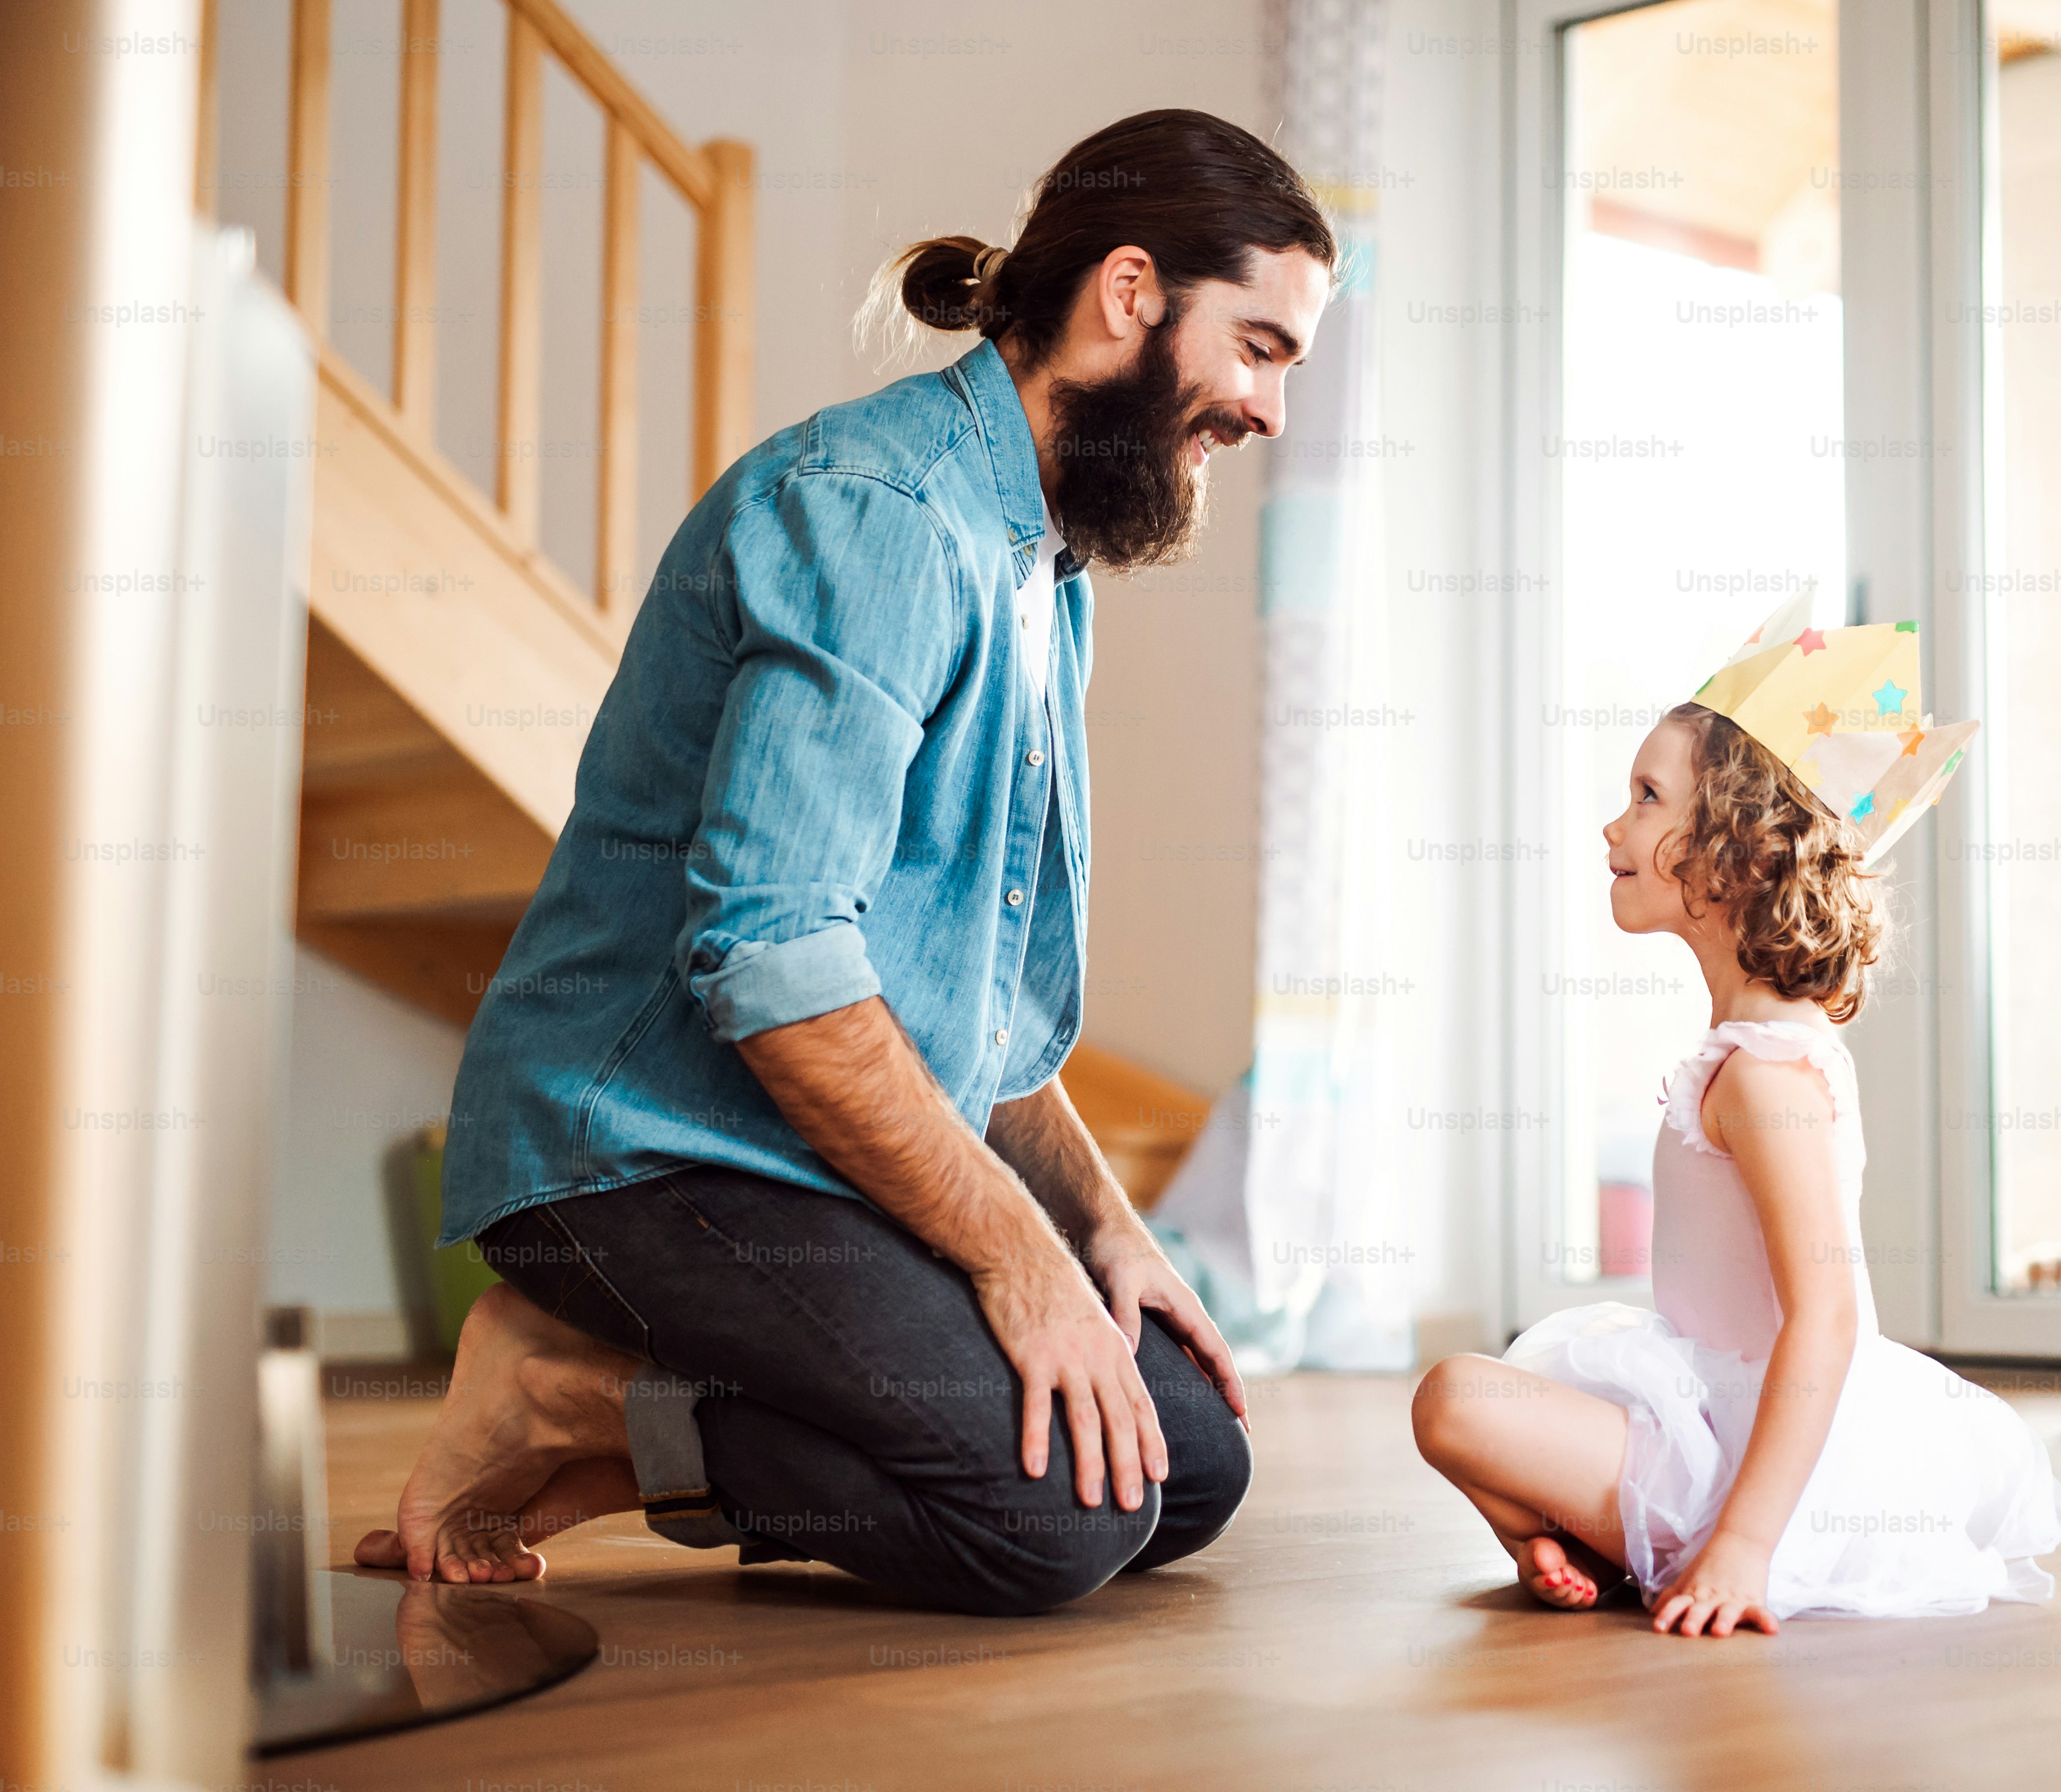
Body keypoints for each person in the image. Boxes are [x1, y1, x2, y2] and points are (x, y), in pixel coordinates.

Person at [351, 109, 1334, 1617]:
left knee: (1182, 1466)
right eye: (1259, 348)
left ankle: (614, 1415)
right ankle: (568, 1398)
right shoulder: (876, 513)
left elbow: (975, 1012)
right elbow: (778, 960)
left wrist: (1104, 1237)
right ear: (1130, 294)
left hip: (797, 1149)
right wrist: (1015, 1263)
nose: (1271, 410)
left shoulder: (1042, 565)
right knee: (1050, 1519)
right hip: (640, 1148)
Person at [1411, 617, 2061, 1635]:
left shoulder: (1769, 1079)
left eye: (1645, 799)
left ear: (1734, 855)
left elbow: (1832, 1315)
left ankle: (1673, 1538)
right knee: (1464, 1402)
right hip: (1702, 1409)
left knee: (1457, 1398)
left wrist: (1748, 1545)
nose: (1611, 828)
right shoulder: (1742, 1050)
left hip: (1767, 1453)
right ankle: (1558, 1537)